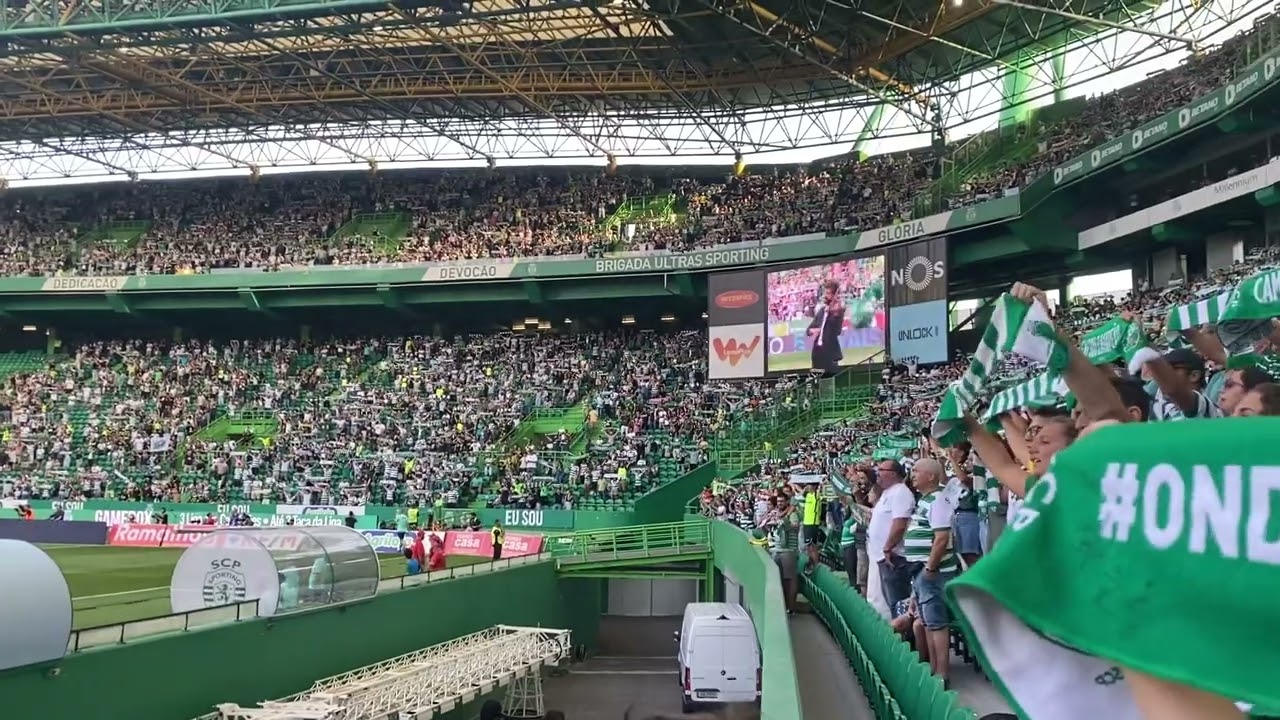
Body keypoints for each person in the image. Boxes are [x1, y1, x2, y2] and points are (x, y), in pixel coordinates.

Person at [903, 458, 958, 684]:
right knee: (926, 622)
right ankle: (934, 669)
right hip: (923, 572)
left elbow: (941, 538)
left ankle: (942, 673)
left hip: (933, 572)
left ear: (932, 476)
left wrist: (930, 567)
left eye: (917, 470)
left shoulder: (938, 500)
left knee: (936, 623)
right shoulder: (926, 500)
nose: (912, 473)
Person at [867, 459, 915, 616]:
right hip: (882, 556)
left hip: (893, 556)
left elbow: (900, 524)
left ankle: (903, 637)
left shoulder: (901, 492)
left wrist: (888, 547)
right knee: (887, 601)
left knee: (898, 602)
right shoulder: (887, 493)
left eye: (881, 469)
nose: (877, 473)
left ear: (893, 474)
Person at [807, 279, 846, 373]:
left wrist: (834, 314)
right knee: (817, 381)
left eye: (828, 293)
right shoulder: (821, 311)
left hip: (830, 353)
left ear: (834, 295)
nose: (826, 296)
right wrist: (813, 331)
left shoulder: (838, 310)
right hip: (817, 353)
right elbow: (808, 330)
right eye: (825, 293)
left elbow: (837, 331)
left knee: (829, 381)